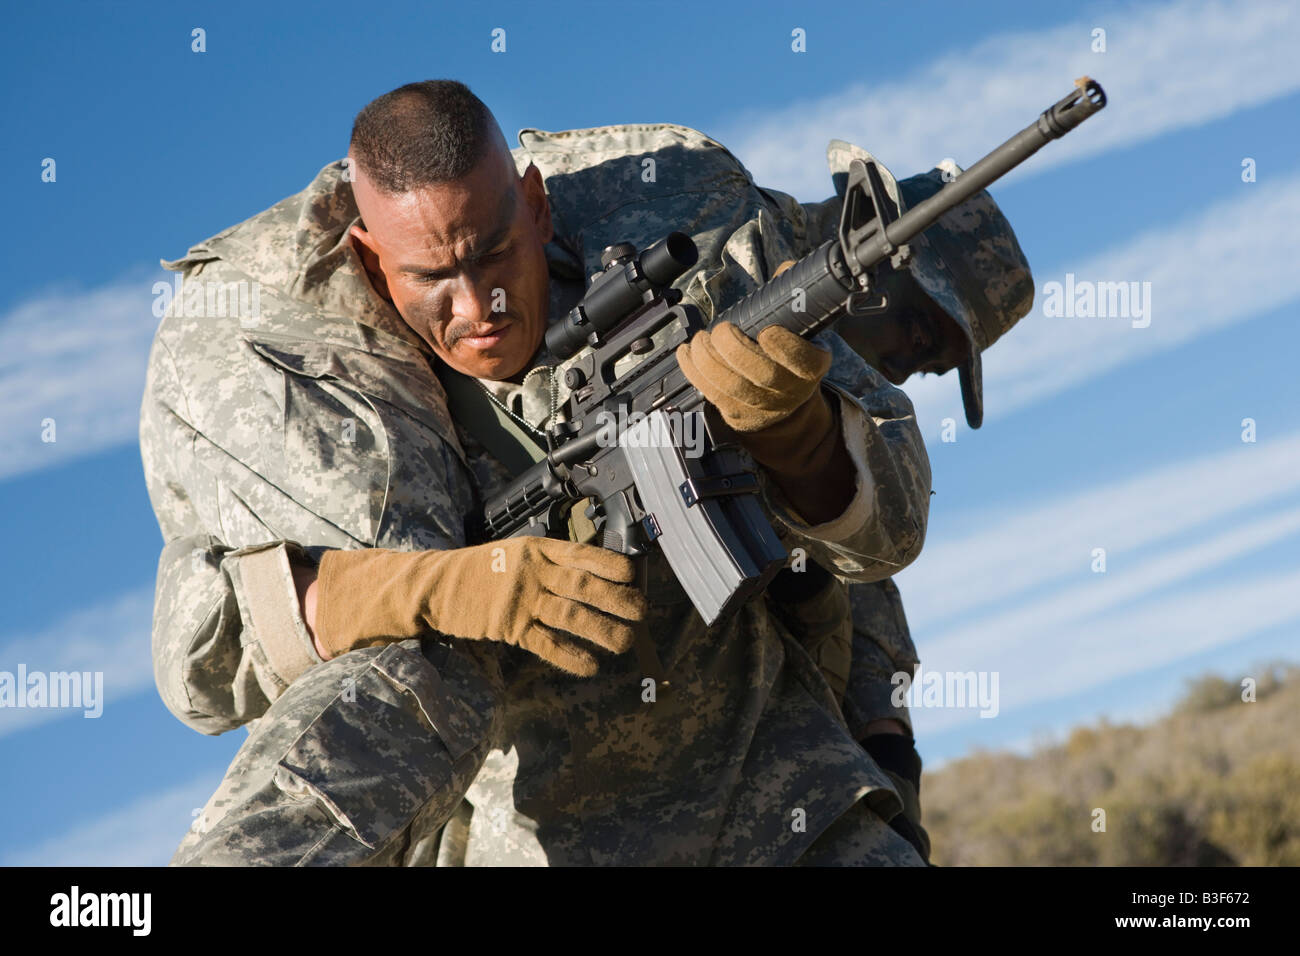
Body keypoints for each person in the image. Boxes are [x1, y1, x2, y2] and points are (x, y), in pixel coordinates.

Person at [142, 80, 935, 865]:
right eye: (430, 279)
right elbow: (200, 669)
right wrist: (432, 590)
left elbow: (885, 543)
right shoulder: (289, 373)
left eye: (493, 252)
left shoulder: (693, 232)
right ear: (369, 259)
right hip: (528, 837)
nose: (476, 304)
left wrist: (797, 436)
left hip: (778, 802)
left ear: (536, 206)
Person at [765, 143, 1036, 863]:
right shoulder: (727, 254)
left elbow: (872, 618)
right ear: (873, 248)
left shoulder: (857, 448)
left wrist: (895, 801)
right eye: (919, 327)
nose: (909, 365)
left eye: (933, 363)